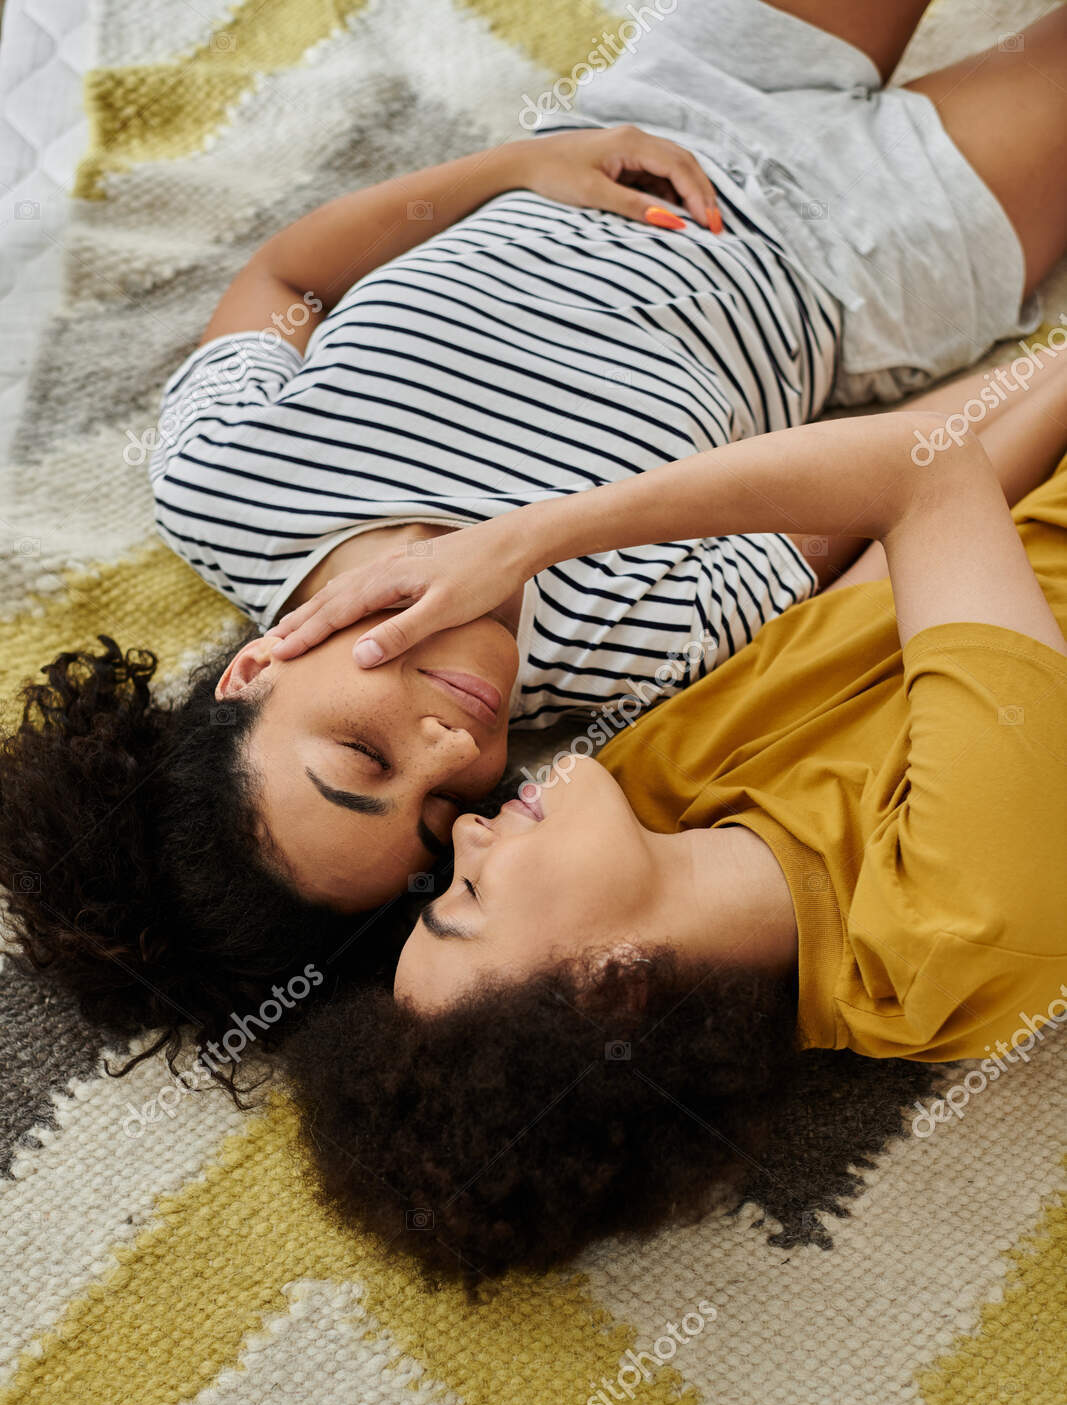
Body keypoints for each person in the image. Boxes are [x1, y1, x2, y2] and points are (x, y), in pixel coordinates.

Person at [3, 0, 1067, 1065]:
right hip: (871, 255)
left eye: (363, 753)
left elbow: (287, 283)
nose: (455, 754)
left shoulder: (222, 486)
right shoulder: (634, 654)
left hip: (652, 105)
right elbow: (896, 474)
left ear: (253, 670)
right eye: (446, 811)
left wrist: (509, 171)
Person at [284, 355, 1067, 1283]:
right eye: (465, 897)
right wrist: (530, 538)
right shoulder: (961, 914)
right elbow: (923, 474)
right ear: (612, 987)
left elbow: (901, 557)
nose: (465, 831)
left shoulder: (644, 796)